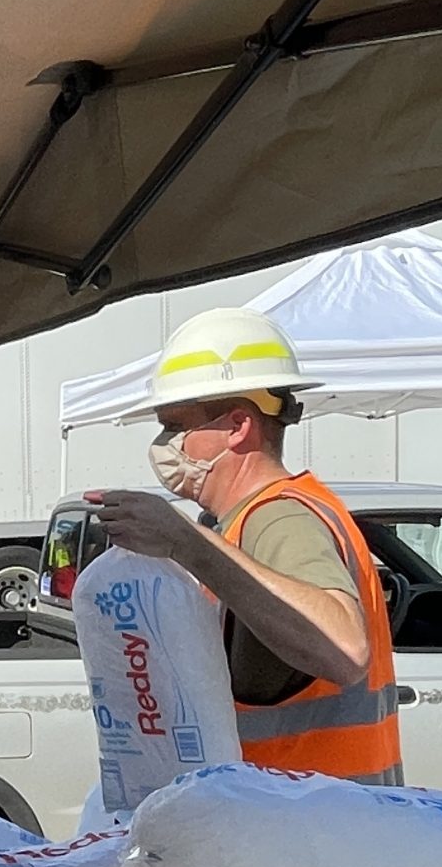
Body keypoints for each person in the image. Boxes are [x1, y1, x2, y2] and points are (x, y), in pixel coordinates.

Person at [86, 307, 402, 786]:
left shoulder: (278, 518)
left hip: (305, 818)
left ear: (238, 426)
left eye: (176, 426)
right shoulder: (239, 523)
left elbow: (344, 650)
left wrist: (187, 543)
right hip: (301, 816)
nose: (164, 445)